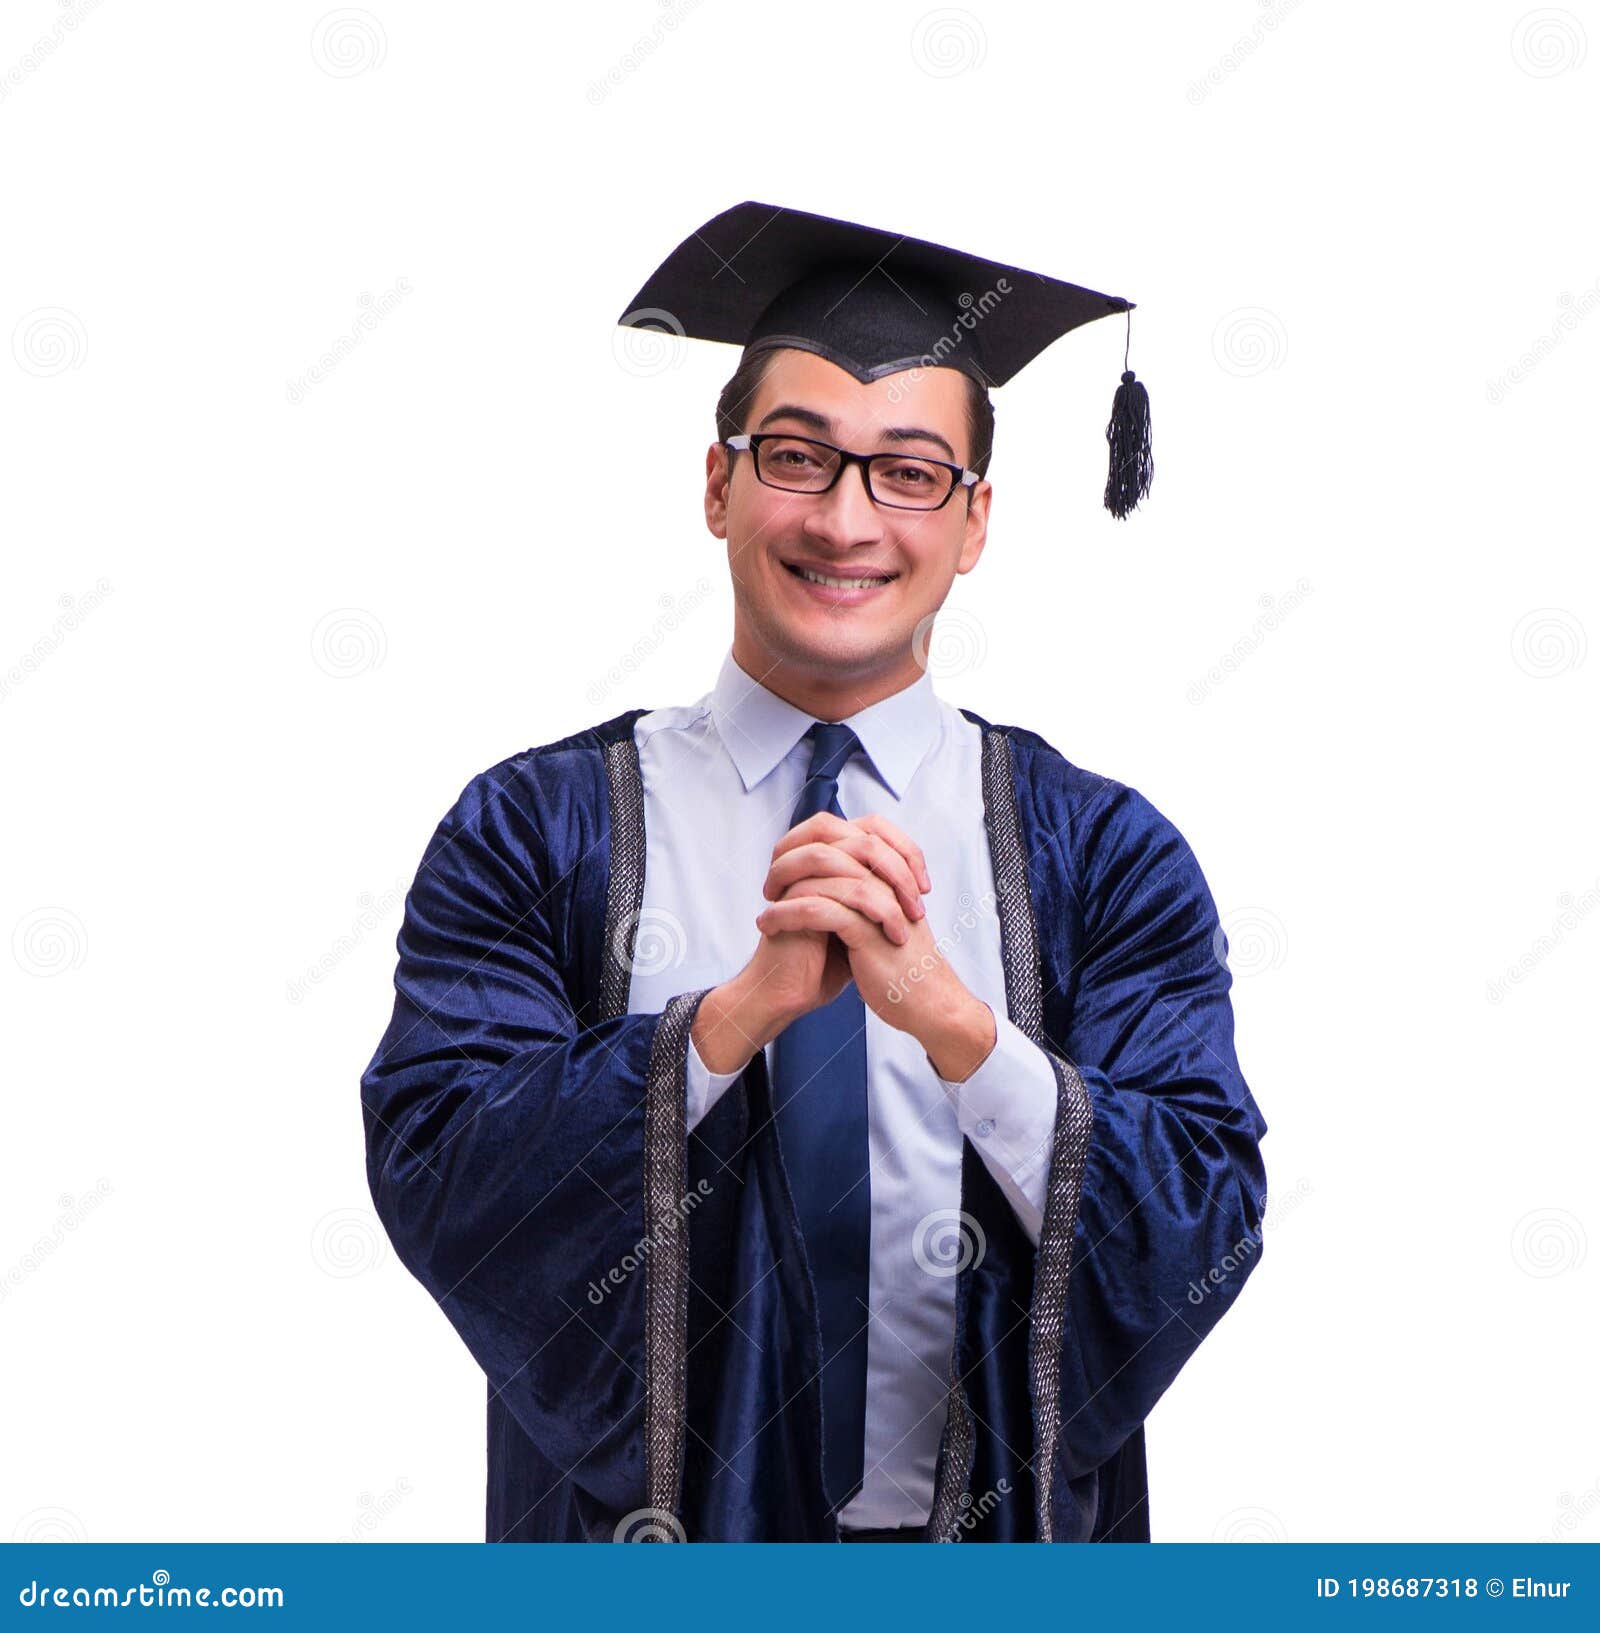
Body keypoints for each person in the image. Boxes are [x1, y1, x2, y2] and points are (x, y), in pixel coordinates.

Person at [359, 201, 1267, 1543]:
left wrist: (962, 1031)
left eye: (908, 472)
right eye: (797, 456)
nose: (846, 518)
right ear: (718, 483)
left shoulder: (1104, 855)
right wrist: (732, 1020)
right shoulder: (534, 830)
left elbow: (1202, 1209)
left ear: (973, 524)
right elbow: (442, 1168)